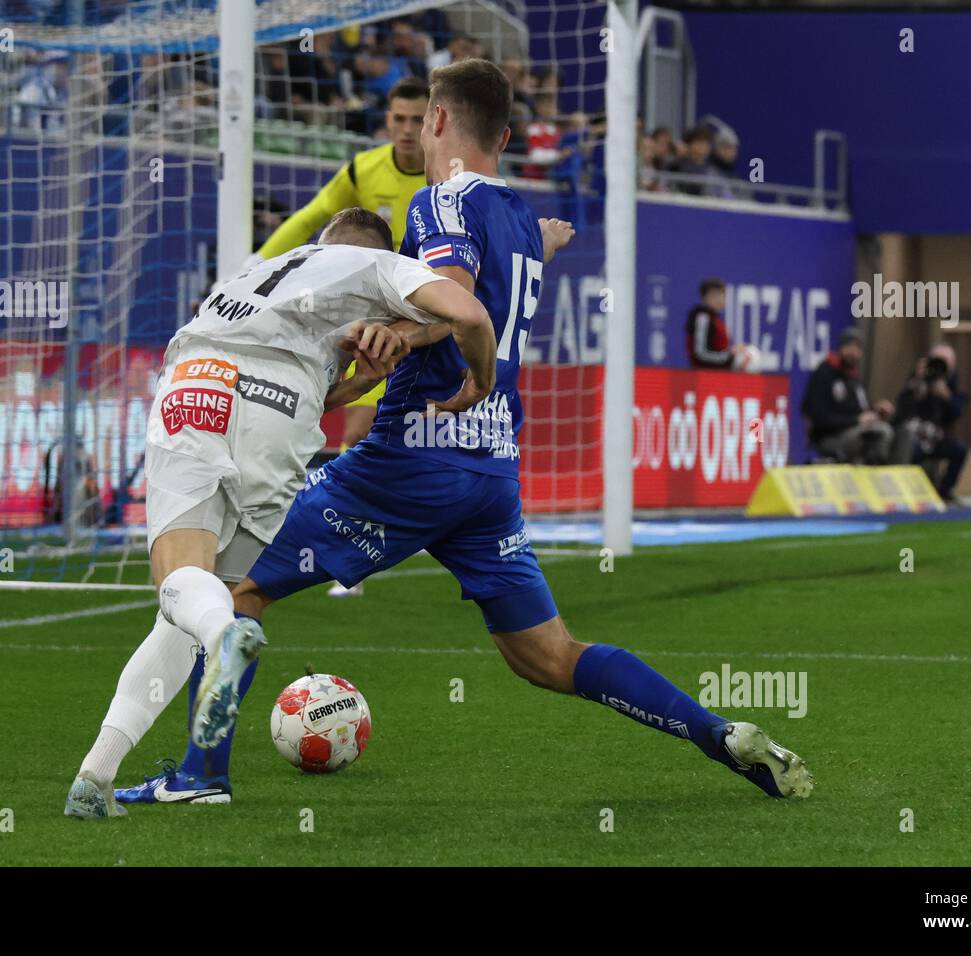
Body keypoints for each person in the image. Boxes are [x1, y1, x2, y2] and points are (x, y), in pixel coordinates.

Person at [174, 59, 813, 808]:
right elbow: (490, 283)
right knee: (548, 656)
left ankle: (198, 777)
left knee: (230, 584)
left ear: (437, 121)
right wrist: (536, 252)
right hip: (492, 472)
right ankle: (719, 733)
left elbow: (461, 302)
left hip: (412, 459)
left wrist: (399, 339)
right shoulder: (515, 213)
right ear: (507, 135)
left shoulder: (440, 201)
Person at [63, 208, 498, 817]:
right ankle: (205, 656)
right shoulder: (382, 265)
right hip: (282, 411)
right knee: (209, 597)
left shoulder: (263, 271)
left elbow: (290, 371)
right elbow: (471, 313)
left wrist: (350, 377)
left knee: (181, 590)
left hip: (197, 381)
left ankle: (95, 777)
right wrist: (480, 379)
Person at [254, 76, 430, 598]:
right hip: (379, 316)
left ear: (433, 122)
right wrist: (259, 262)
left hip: (428, 313)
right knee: (366, 415)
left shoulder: (447, 181)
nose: (405, 130)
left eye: (416, 120)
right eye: (397, 119)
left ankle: (406, 525)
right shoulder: (364, 169)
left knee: (412, 426)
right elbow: (311, 216)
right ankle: (348, 545)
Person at [802, 327, 894, 464]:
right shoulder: (826, 372)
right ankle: (870, 474)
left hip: (854, 431)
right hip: (831, 437)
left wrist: (875, 411)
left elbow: (860, 410)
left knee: (899, 433)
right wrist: (857, 420)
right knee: (880, 433)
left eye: (858, 348)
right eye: (849, 346)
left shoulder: (854, 378)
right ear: (840, 348)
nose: (853, 352)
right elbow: (818, 416)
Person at [891, 344, 968, 501]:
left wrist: (946, 396)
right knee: (911, 451)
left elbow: (957, 412)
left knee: (959, 450)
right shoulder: (916, 383)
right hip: (914, 438)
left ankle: (944, 492)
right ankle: (910, 492)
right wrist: (917, 383)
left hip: (936, 439)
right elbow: (901, 410)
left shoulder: (952, 388)